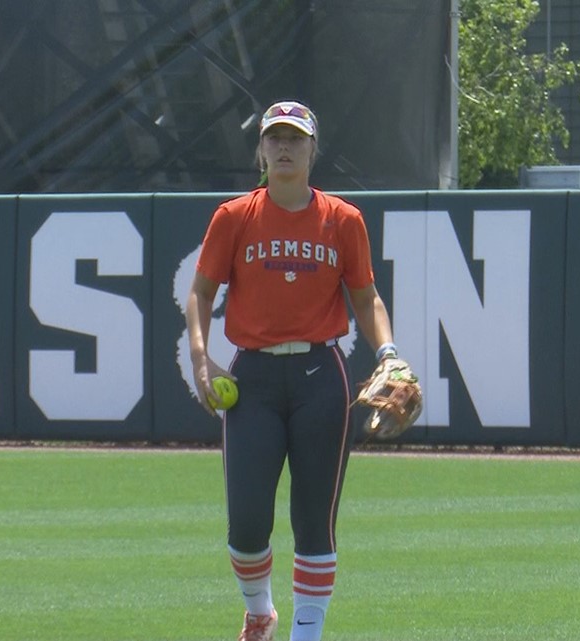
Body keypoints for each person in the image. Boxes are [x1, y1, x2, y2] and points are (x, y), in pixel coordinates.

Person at [184, 100, 405, 641]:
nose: (284, 147)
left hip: (320, 378)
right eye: (275, 138)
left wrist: (389, 353)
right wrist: (200, 357)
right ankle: (259, 610)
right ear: (260, 150)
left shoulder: (342, 219)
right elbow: (201, 292)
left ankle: (307, 633)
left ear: (312, 150)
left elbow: (366, 298)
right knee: (246, 525)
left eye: (295, 138)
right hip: (252, 382)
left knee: (314, 521)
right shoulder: (234, 217)